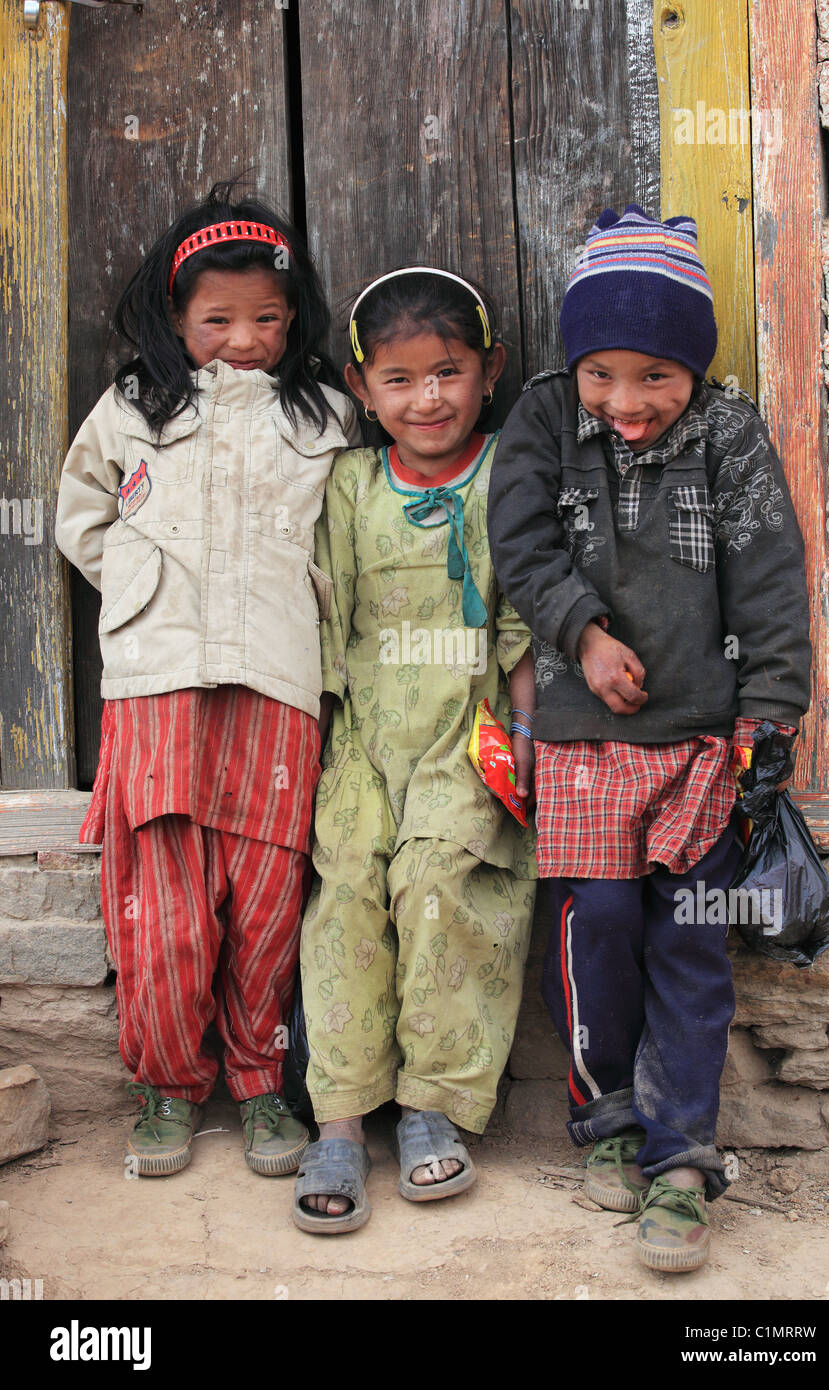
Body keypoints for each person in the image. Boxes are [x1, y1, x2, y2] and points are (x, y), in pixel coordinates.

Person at [487, 205, 811, 1271]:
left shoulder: (728, 434)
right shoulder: (540, 420)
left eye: (655, 379)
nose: (625, 404)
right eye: (602, 376)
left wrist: (769, 710)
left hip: (699, 744)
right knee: (599, 925)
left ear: (694, 369)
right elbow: (520, 542)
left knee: (687, 938)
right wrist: (579, 637)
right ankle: (607, 1120)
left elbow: (768, 575)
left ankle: (679, 1157)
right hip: (581, 738)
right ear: (573, 363)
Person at [55, 180, 360, 1178]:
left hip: (276, 677)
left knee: (266, 897)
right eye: (216, 318)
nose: (242, 338)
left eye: (266, 318)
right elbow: (80, 513)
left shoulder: (322, 417)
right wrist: (141, 583)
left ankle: (260, 1080)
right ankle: (164, 1084)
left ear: (293, 319)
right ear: (175, 317)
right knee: (161, 899)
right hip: (158, 681)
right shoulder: (133, 407)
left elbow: (349, 538)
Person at [292, 267, 538, 1233]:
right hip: (363, 736)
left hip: (464, 732)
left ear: (490, 372)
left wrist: (525, 737)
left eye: (449, 373)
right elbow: (325, 624)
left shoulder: (507, 472)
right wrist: (314, 750)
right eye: (398, 380)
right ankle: (343, 1121)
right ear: (361, 389)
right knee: (346, 884)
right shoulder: (352, 485)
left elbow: (519, 620)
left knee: (440, 884)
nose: (427, 398)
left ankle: (433, 1105)